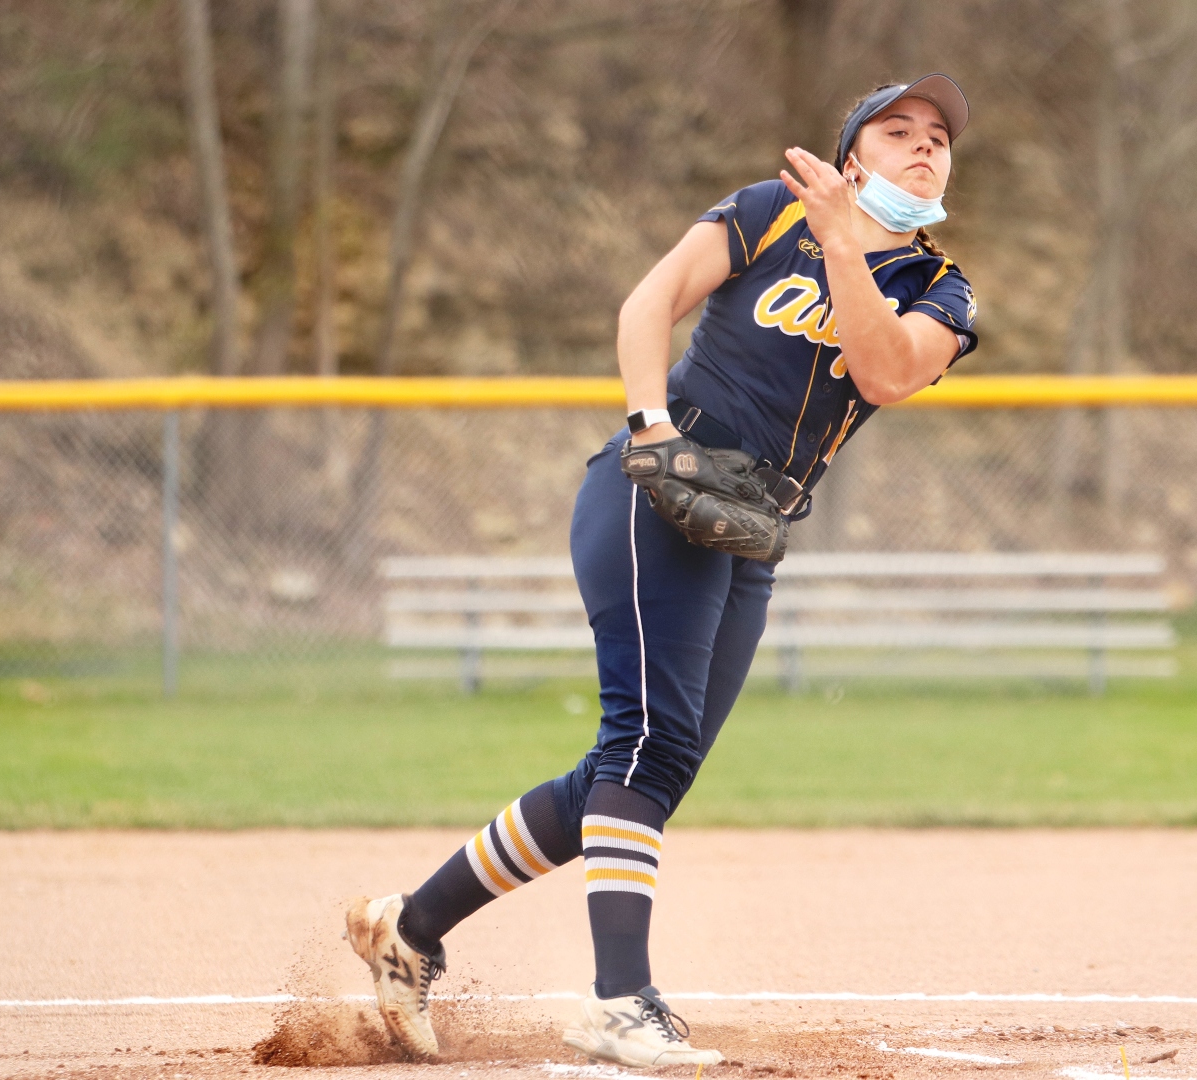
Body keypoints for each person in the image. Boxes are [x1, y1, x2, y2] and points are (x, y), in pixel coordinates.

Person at [341, 75, 979, 1067]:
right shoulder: (770, 213)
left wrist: (848, 241)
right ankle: (617, 1000)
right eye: (896, 130)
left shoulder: (939, 289)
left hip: (753, 526)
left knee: (641, 768)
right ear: (850, 156)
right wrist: (652, 427)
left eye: (938, 136)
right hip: (661, 483)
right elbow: (652, 301)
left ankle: (410, 930)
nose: (923, 146)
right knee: (646, 743)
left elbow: (887, 370)